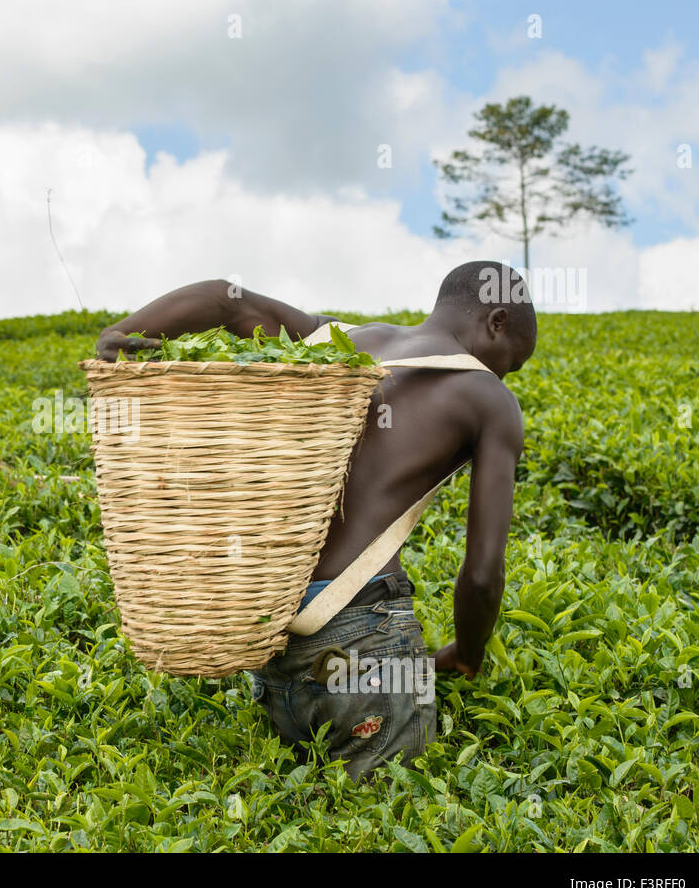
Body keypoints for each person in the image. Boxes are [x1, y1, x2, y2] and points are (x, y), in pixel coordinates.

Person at [94, 261, 536, 780]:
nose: (504, 375)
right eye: (512, 363)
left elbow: (227, 299)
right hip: (365, 644)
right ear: (497, 321)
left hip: (276, 645)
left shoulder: (347, 341)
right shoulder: (490, 399)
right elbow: (483, 571)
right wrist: (467, 651)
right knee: (388, 823)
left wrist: (121, 333)